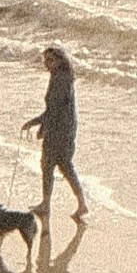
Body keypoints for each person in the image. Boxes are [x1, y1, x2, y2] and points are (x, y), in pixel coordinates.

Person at [31, 47, 82, 220]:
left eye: (50, 60)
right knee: (64, 166)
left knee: (50, 166)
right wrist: (42, 126)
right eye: (45, 60)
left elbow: (54, 110)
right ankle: (80, 204)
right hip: (65, 129)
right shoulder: (62, 76)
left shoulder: (60, 80)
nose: (46, 63)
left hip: (60, 131)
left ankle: (47, 203)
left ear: (60, 61)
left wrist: (38, 125)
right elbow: (53, 110)